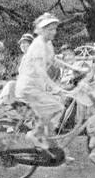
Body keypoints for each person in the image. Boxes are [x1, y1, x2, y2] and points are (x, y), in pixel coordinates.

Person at [14, 12, 75, 156]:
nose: (53, 32)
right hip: (28, 88)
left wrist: (74, 68)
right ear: (40, 30)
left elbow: (53, 60)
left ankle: (55, 153)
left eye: (54, 28)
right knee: (57, 107)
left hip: (36, 88)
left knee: (50, 115)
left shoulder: (48, 43)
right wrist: (57, 88)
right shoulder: (37, 46)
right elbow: (41, 72)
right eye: (49, 29)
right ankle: (35, 134)